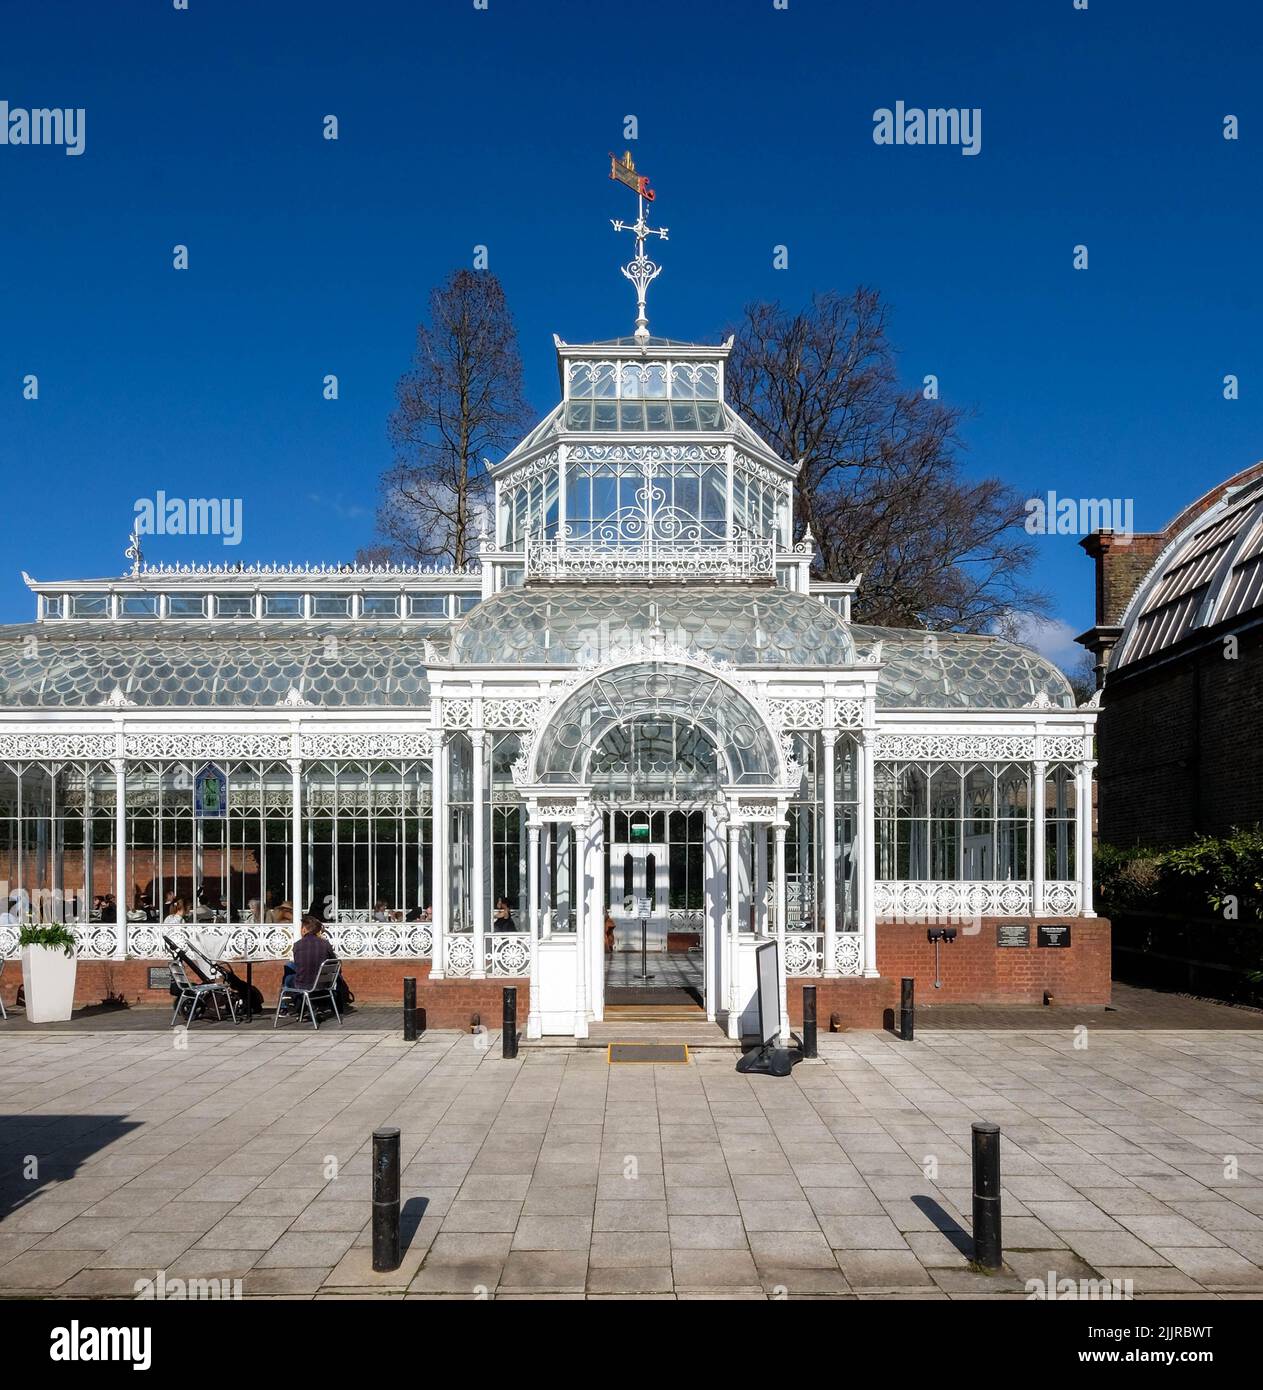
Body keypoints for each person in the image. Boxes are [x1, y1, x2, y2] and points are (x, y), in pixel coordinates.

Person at [281, 914, 337, 1004]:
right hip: (324, 983)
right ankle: (298, 1005)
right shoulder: (326, 944)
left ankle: (286, 1006)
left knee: (288, 976)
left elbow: (298, 965)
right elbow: (334, 962)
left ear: (304, 929)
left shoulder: (298, 945)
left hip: (304, 984)